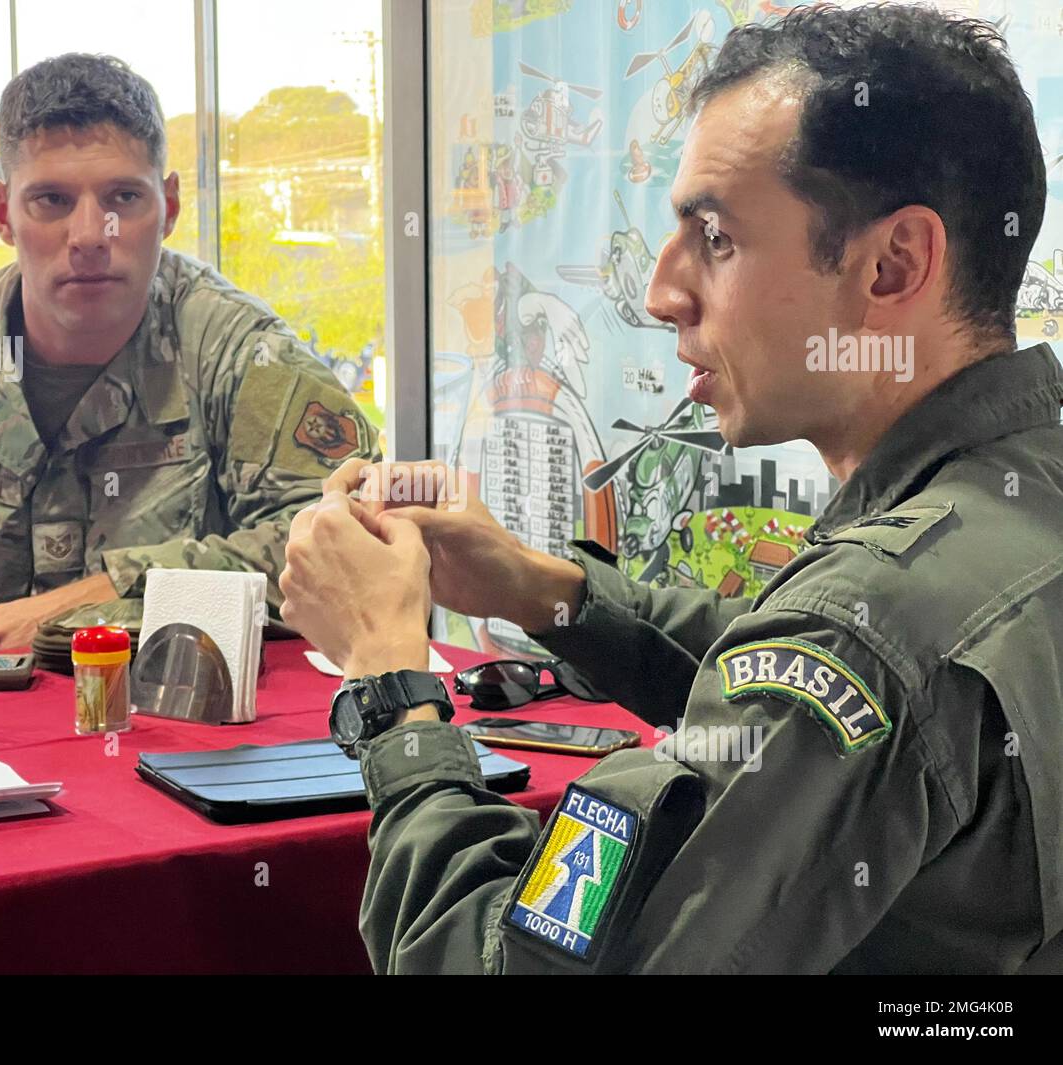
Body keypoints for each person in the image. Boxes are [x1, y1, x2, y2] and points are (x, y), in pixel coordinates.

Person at [279, 5, 1063, 973]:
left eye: (718, 239)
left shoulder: (865, 626)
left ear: (892, 264)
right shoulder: (1013, 503)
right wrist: (544, 590)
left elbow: (491, 965)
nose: (662, 293)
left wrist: (390, 685)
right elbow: (811, 697)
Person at [0, 53, 378, 672]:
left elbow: (351, 538)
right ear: (3, 211)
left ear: (169, 205)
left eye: (123, 197)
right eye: (52, 200)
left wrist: (108, 592)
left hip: (193, 736)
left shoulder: (240, 355)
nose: (89, 234)